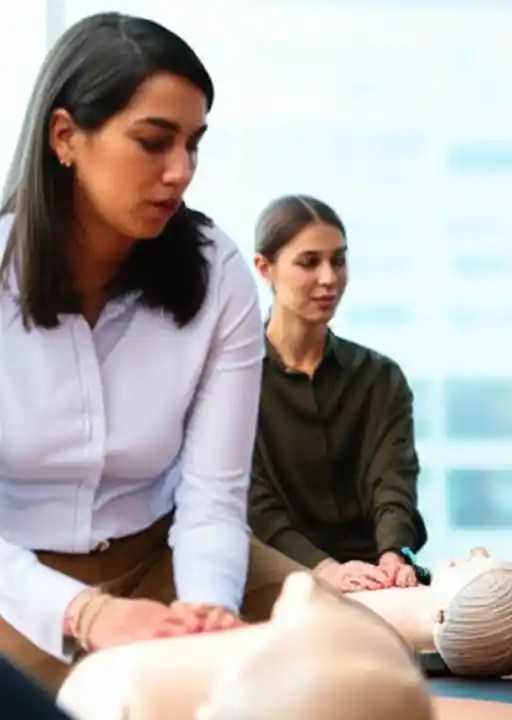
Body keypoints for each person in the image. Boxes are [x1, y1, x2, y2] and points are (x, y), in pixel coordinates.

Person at [0, 13, 308, 692]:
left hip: (169, 554)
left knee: (353, 661)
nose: (180, 172)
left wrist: (206, 616)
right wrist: (86, 613)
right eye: (152, 142)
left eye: (194, 145)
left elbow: (213, 497)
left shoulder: (216, 270)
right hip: (14, 587)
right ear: (65, 138)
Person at [247, 194, 427, 592]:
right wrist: (324, 569)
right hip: (277, 580)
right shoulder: (235, 379)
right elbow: (254, 505)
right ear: (265, 268)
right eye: (309, 262)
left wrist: (394, 556)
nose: (329, 278)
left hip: (375, 578)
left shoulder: (380, 377)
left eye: (339, 260)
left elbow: (394, 481)